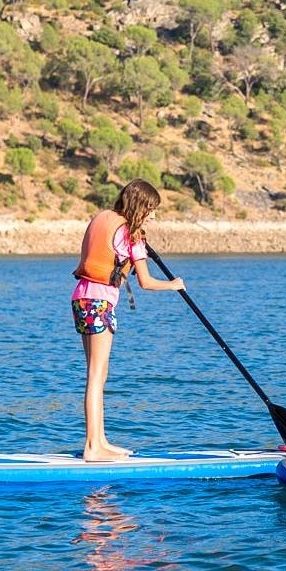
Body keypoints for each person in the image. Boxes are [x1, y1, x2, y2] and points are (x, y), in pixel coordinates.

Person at [71, 179, 185, 462]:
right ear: (140, 206)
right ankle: (92, 447)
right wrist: (174, 285)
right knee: (96, 375)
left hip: (81, 299)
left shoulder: (104, 218)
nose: (153, 216)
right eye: (151, 210)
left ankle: (100, 441)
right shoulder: (131, 236)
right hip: (99, 302)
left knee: (97, 374)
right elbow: (145, 282)